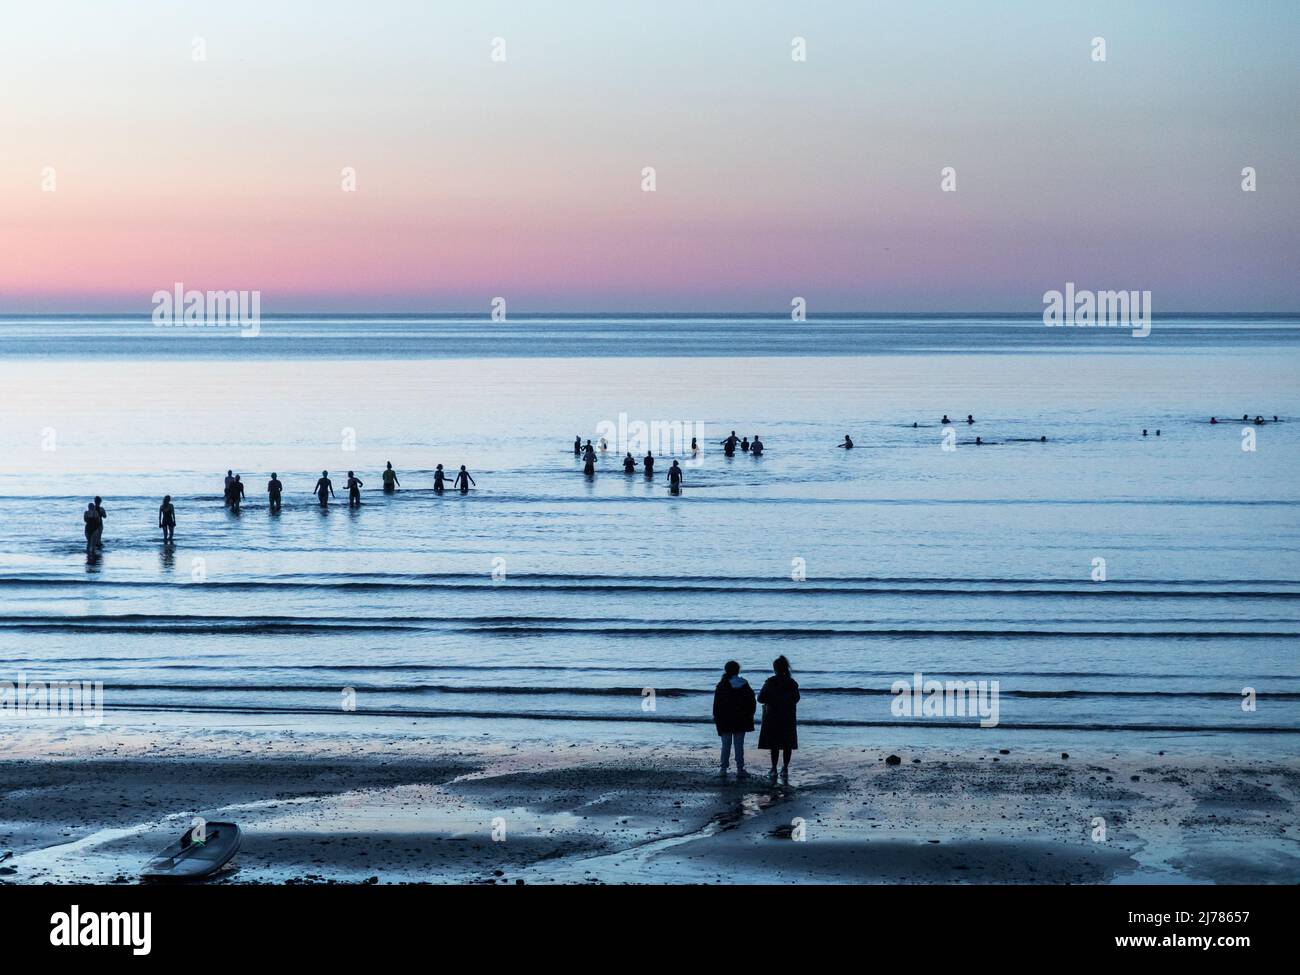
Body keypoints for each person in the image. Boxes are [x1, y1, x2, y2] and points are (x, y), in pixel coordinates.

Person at [757, 655, 800, 780]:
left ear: (775, 668)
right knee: (787, 743)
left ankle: (774, 768)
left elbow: (760, 698)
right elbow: (796, 699)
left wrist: (771, 700)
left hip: (772, 715)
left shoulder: (770, 682)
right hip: (788, 716)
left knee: (774, 744)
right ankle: (785, 768)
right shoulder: (792, 683)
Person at [713, 661, 756, 778]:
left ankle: (723, 769)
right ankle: (740, 769)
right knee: (739, 745)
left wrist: (717, 719)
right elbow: (752, 702)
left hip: (725, 719)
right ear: (738, 670)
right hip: (741, 719)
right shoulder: (744, 684)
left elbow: (716, 705)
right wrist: (750, 715)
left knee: (725, 745)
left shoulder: (722, 685)